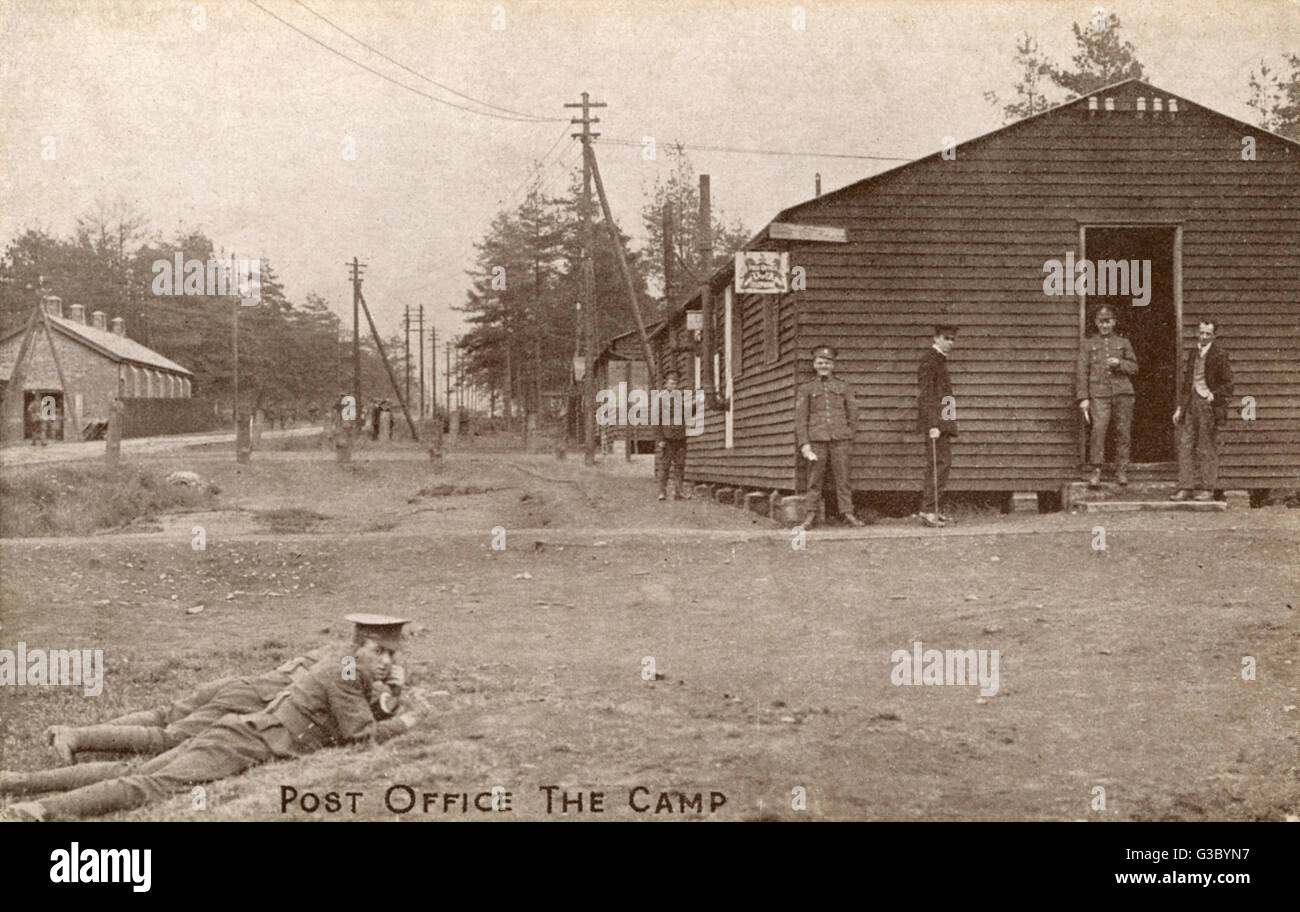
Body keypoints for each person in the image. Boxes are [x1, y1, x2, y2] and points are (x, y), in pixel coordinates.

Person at [2, 615, 420, 821]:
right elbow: (360, 735)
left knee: (136, 770)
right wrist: (408, 722)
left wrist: (394, 694)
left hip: (242, 732)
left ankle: (18, 785)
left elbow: (361, 714)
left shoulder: (348, 666)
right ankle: (39, 810)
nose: (386, 661)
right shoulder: (345, 671)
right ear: (357, 646)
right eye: (378, 652)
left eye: (392, 654)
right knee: (150, 784)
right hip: (246, 740)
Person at [38, 647, 354, 764]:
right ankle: (77, 738)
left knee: (164, 716)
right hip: (253, 698)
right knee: (170, 737)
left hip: (242, 684)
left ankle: (73, 731)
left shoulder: (334, 652)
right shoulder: (345, 670)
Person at [794, 345, 865, 529]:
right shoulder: (807, 388)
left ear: (832, 365)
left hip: (840, 440)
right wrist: (805, 444)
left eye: (827, 362)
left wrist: (848, 434)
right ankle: (810, 516)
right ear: (814, 364)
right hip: (816, 440)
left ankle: (847, 513)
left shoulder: (843, 386)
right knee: (814, 480)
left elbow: (853, 413)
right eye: (820, 362)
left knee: (843, 479)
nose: (823, 365)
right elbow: (801, 419)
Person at [1170, 320, 1233, 503]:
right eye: (1201, 333)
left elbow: (1228, 385)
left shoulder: (1219, 355)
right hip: (1191, 404)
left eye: (1207, 334)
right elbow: (1188, 381)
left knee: (1207, 447)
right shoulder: (1194, 353)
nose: (1203, 337)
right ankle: (1185, 487)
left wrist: (1213, 395)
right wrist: (1180, 407)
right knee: (1185, 444)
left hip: (1208, 406)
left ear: (1214, 336)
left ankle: (1208, 489)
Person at [1076, 305, 1139, 487]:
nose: (1104, 325)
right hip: (1099, 394)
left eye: (1108, 321)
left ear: (1114, 322)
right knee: (1099, 431)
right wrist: (1083, 398)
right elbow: (1082, 372)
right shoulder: (1088, 344)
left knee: (1123, 432)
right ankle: (1096, 470)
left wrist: (1120, 363)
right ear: (1096, 323)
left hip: (1123, 393)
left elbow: (1135, 367)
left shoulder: (1123, 342)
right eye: (1101, 321)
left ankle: (1121, 470)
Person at [917, 325, 958, 527]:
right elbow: (927, 395)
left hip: (944, 424)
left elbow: (945, 395)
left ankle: (935, 508)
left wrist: (949, 425)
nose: (950, 342)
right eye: (946, 338)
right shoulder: (929, 360)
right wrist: (933, 424)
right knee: (937, 465)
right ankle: (927, 511)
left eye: (952, 339)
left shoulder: (940, 360)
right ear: (936, 338)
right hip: (936, 425)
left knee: (943, 465)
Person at [655, 369, 689, 501]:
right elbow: (656, 420)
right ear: (666, 384)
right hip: (667, 437)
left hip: (680, 437)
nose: (674, 386)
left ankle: (678, 492)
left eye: (676, 383)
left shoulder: (680, 397)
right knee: (665, 465)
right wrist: (660, 439)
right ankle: (662, 492)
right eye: (672, 383)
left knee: (680, 465)